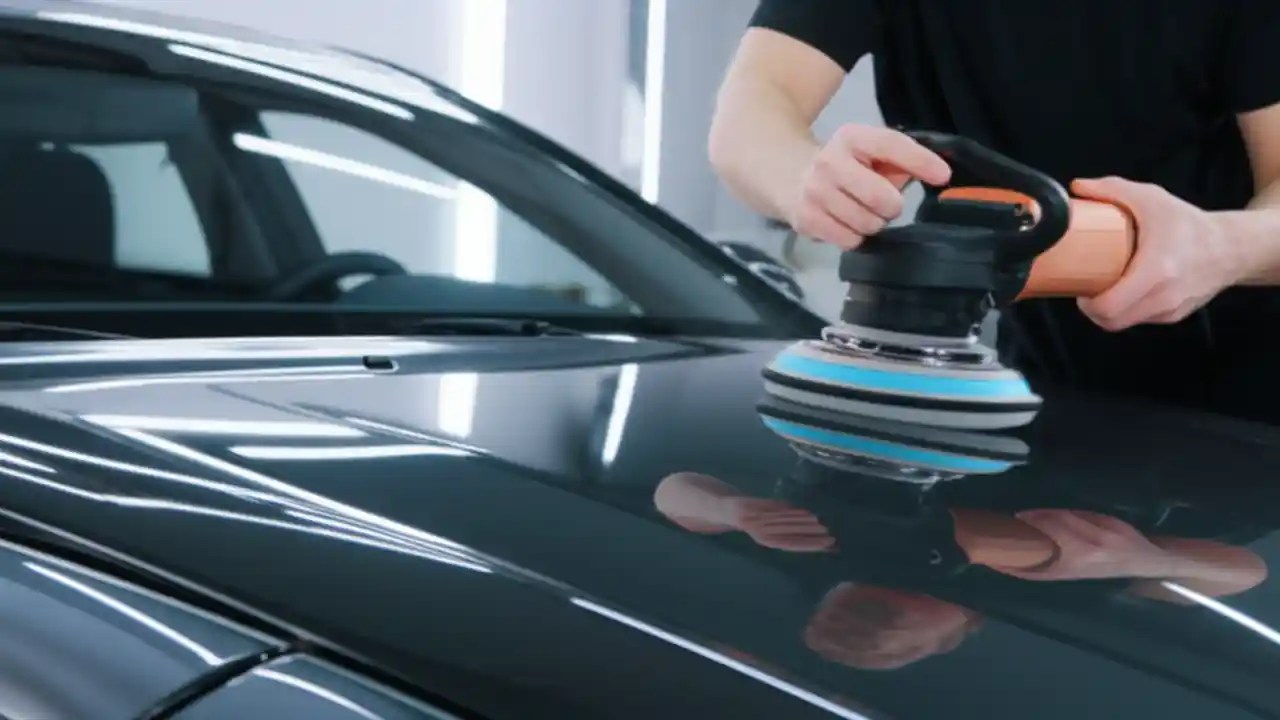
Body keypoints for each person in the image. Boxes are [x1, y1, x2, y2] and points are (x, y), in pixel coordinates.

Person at [709, 1, 1280, 412]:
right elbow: (754, 110)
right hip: (1042, 393)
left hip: (1250, 416)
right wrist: (802, 177)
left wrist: (1221, 247)